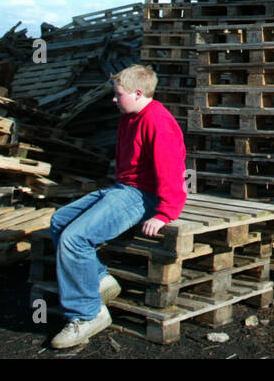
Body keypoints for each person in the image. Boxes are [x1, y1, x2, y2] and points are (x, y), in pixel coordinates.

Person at [47, 65, 187, 349]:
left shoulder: (158, 121)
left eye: (118, 94)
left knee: (75, 239)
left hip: (141, 196)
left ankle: (87, 315)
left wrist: (165, 213)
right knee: (60, 221)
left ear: (138, 93)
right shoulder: (129, 115)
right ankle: (98, 280)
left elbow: (172, 171)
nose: (113, 99)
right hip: (122, 190)